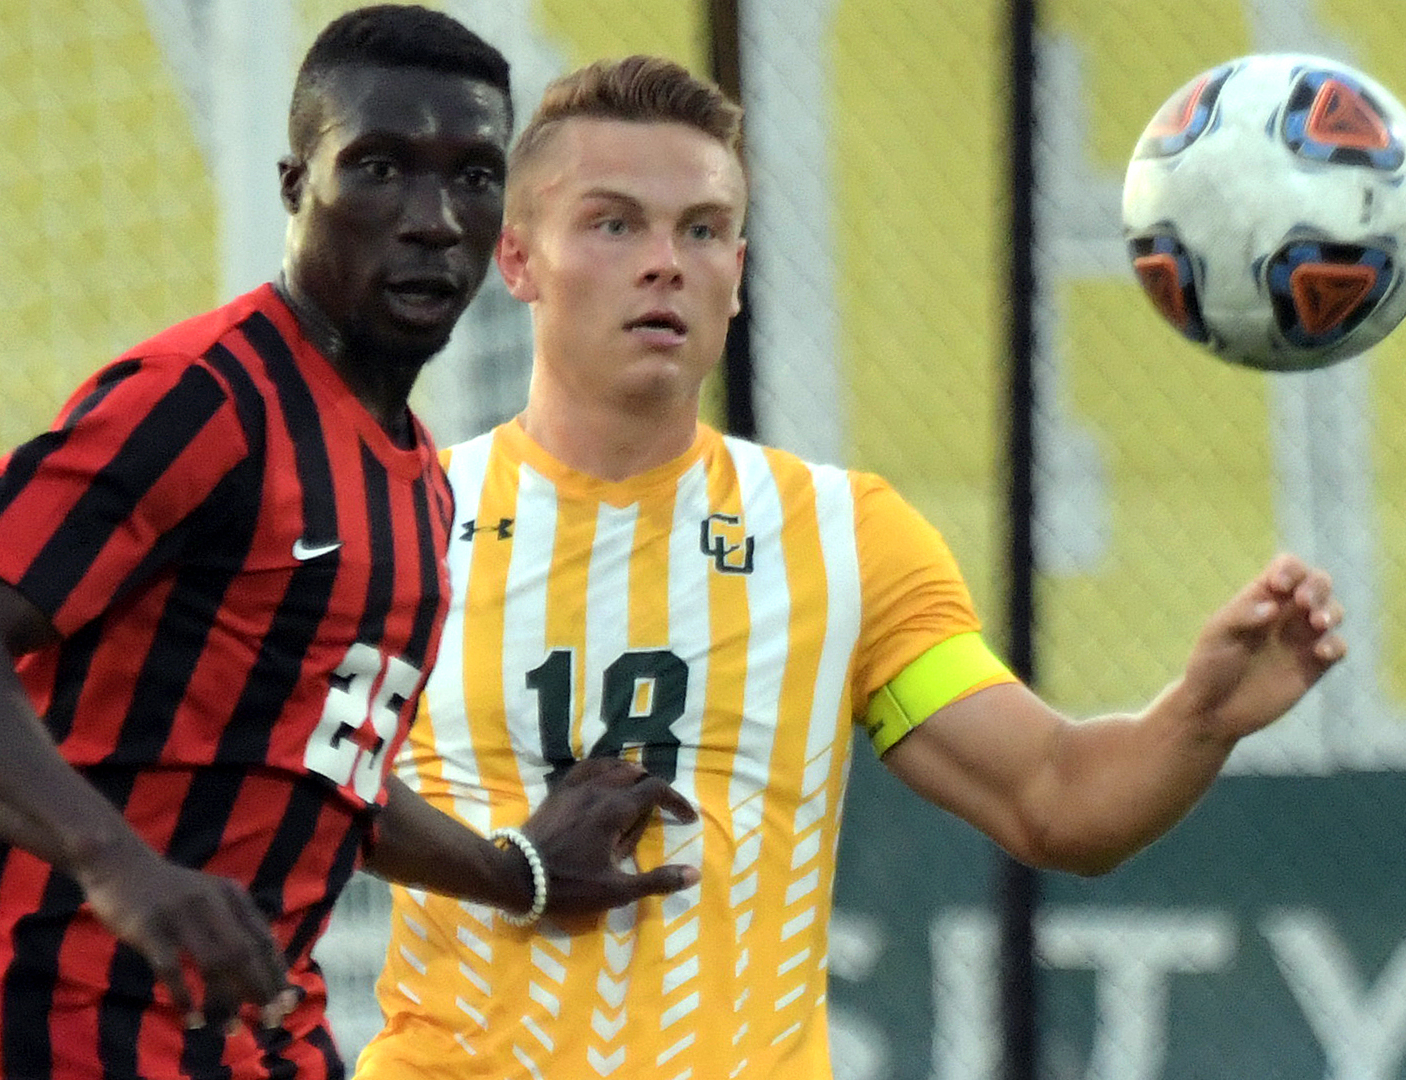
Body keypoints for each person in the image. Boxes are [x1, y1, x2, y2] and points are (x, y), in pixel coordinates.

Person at [352, 55, 1347, 1080]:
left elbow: (1054, 799)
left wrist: (1199, 716)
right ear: (516, 261)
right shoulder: (398, 518)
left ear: (737, 271)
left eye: (701, 229)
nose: (666, 263)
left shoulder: (841, 538)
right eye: (614, 225)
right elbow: (275, 791)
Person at [0, 10, 699, 1080]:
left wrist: (514, 873)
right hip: (42, 1024)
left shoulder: (417, 485)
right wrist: (119, 866)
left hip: (252, 1033)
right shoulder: (201, 400)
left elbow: (317, 767)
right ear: (294, 186)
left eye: (473, 177)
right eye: (381, 168)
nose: (432, 219)